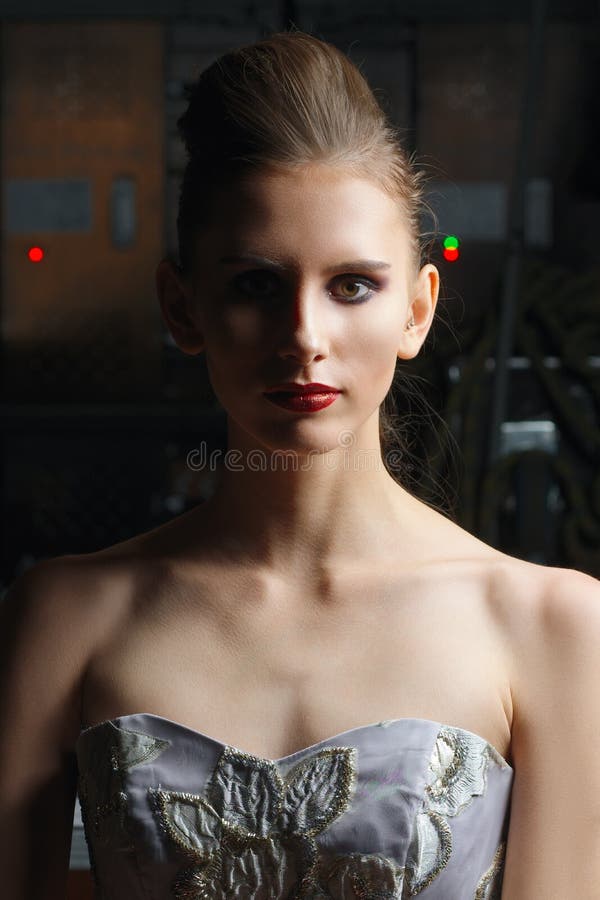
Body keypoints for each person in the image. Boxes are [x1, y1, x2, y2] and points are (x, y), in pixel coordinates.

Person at [1, 27, 599, 900]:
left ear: (417, 310)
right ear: (183, 305)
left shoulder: (554, 626)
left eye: (352, 284)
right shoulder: (63, 620)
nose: (305, 339)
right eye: (254, 284)